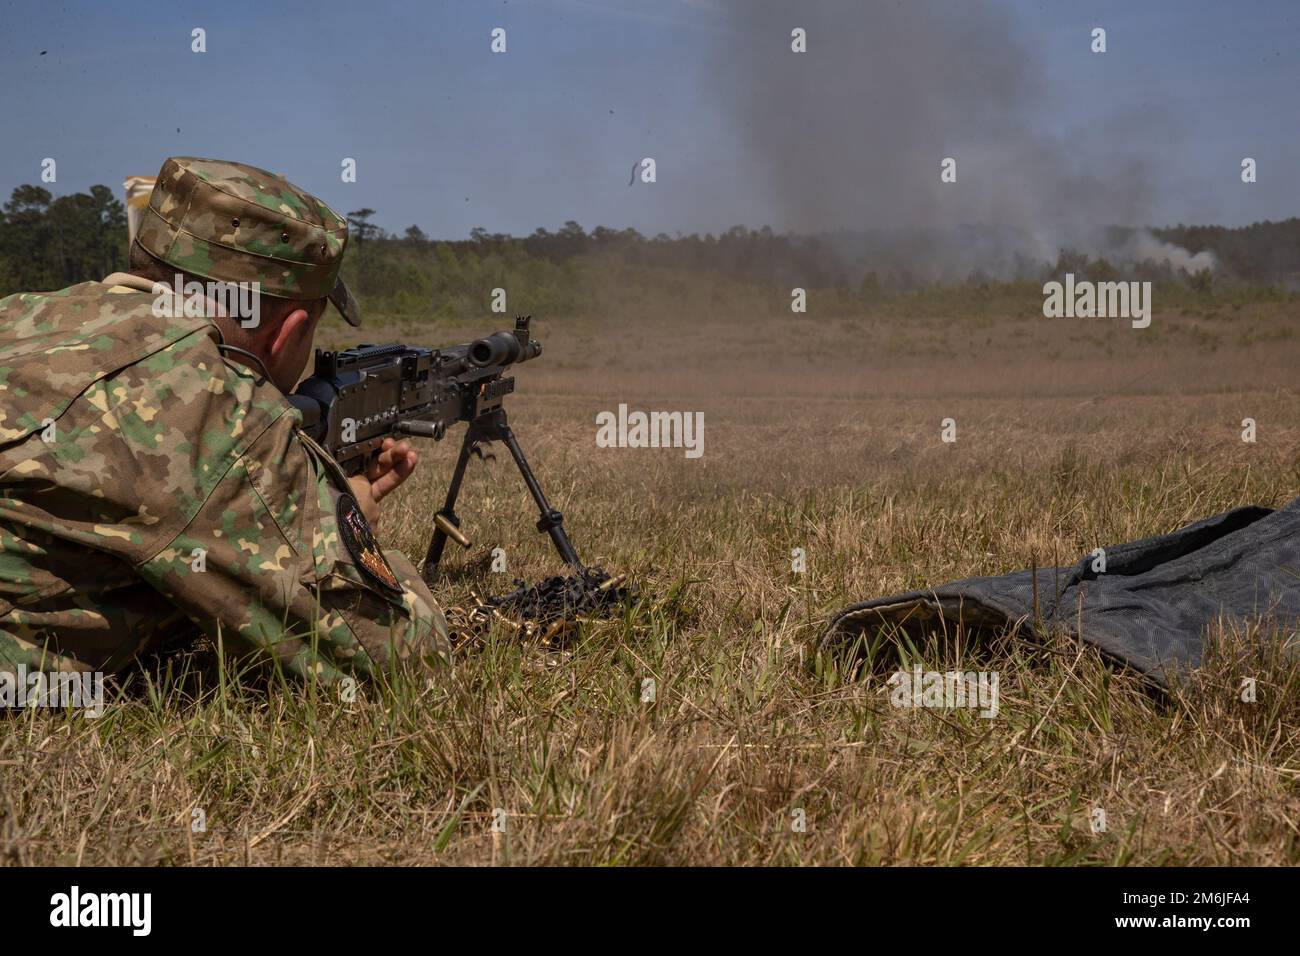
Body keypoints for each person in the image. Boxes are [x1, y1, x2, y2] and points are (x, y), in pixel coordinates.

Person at [0, 156, 450, 684]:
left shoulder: (23, 312)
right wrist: (352, 534)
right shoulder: (207, 401)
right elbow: (404, 657)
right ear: (289, 331)